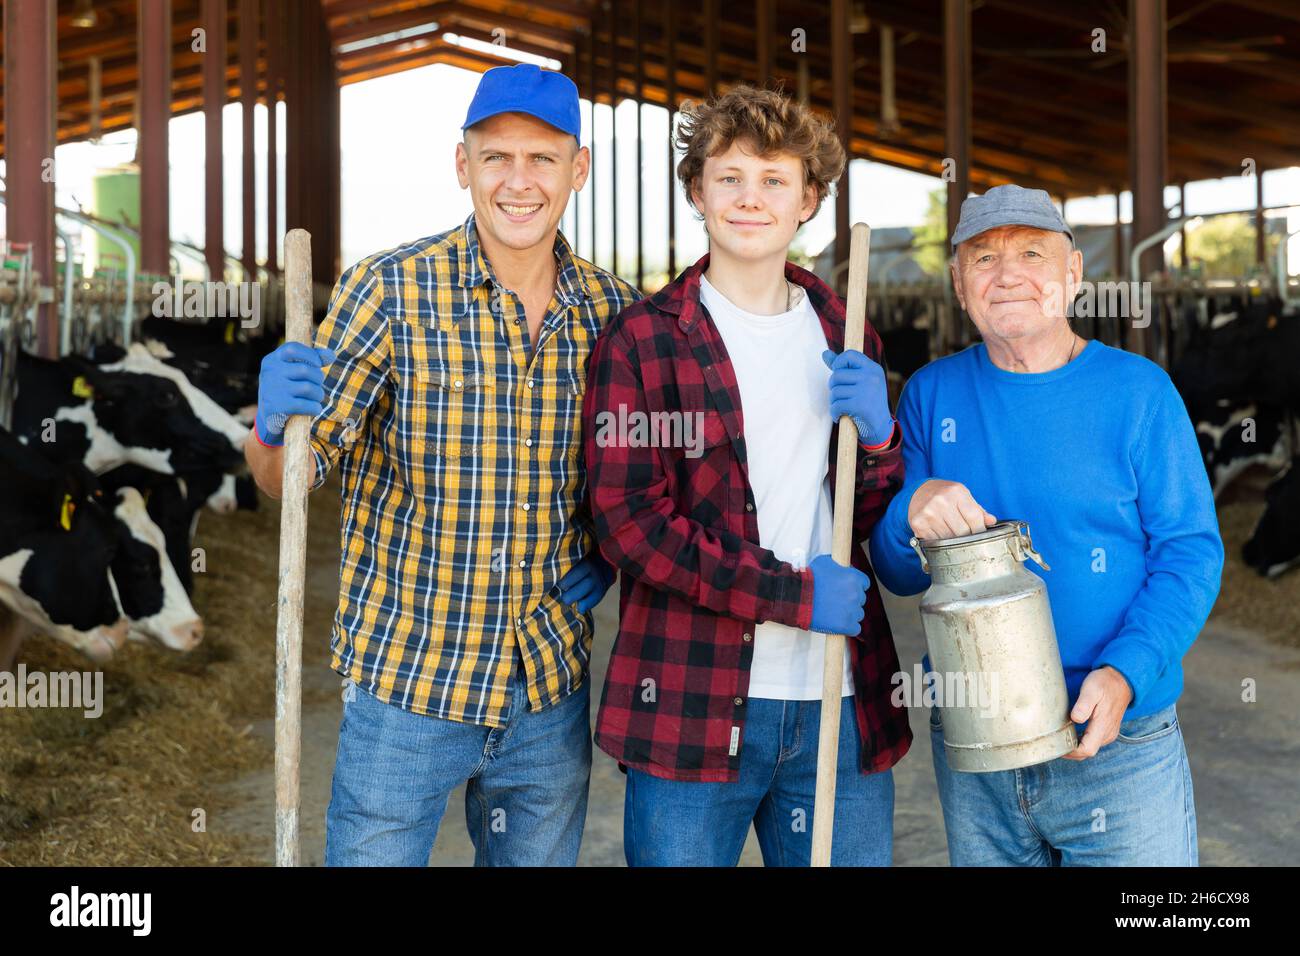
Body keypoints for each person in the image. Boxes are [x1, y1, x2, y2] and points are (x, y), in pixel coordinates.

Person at [245, 64, 639, 866]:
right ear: (463, 165)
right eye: (496, 157)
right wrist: (271, 427)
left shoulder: (613, 312)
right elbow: (293, 478)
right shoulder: (389, 289)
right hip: (408, 685)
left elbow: (637, 473)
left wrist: (608, 547)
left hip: (547, 683)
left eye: (543, 159)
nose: (518, 181)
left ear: (579, 169)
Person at [583, 85, 911, 867]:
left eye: (774, 180)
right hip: (690, 703)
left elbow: (870, 513)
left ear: (810, 201)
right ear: (697, 192)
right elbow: (631, 525)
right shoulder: (643, 338)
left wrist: (881, 438)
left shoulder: (846, 328)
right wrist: (794, 596)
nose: (749, 199)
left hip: (839, 697)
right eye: (728, 178)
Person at [869, 183, 1223, 866]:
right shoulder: (930, 394)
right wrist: (909, 516)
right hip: (976, 740)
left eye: (1032, 253)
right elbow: (898, 572)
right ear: (957, 284)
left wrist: (1126, 672)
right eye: (982, 259)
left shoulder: (1139, 392)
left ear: (1072, 274)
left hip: (1119, 737)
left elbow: (1190, 555)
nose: (1007, 276)